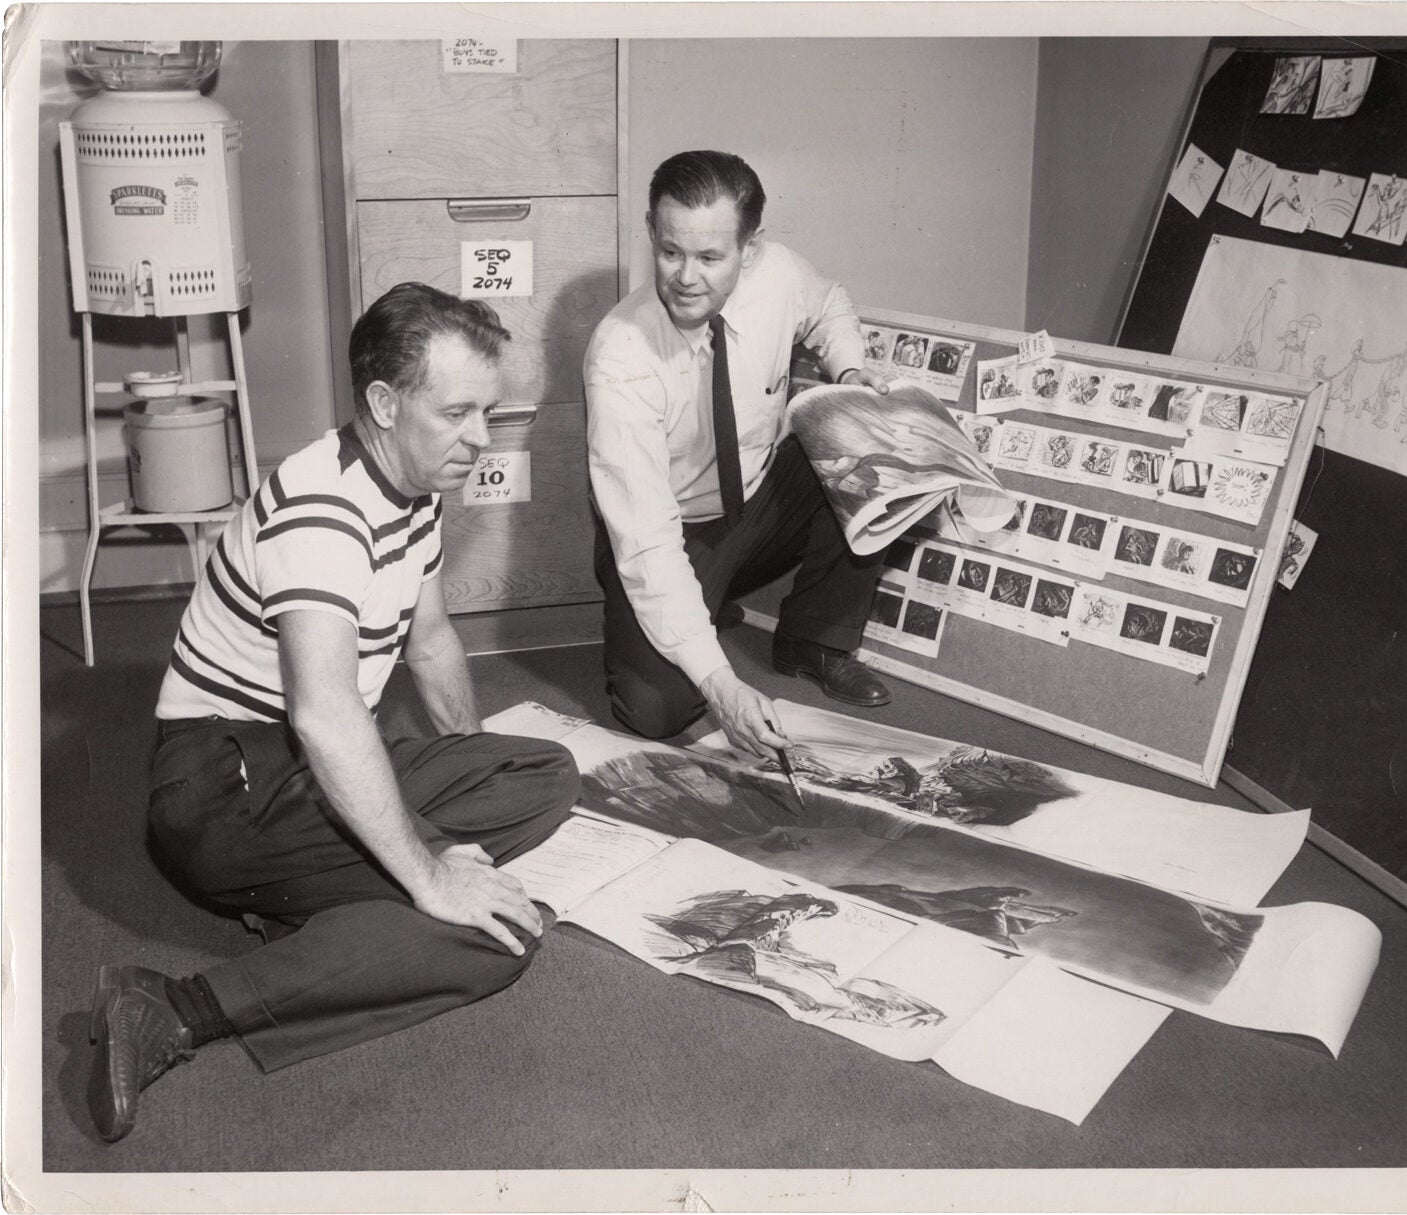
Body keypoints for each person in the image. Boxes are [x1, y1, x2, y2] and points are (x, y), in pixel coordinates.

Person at [86, 283, 580, 1143]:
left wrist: (460, 776)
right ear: (385, 404)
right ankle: (177, 1006)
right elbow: (321, 714)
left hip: (303, 760)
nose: (479, 438)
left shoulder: (415, 482)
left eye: (486, 411)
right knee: (496, 932)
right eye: (457, 411)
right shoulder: (323, 512)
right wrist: (430, 870)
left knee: (543, 773)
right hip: (222, 789)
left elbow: (428, 642)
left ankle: (321, 899)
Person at [584, 150, 893, 760]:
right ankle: (704, 605)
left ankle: (813, 640)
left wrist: (850, 369)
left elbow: (830, 304)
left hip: (760, 499)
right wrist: (721, 685)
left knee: (865, 436)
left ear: (749, 251)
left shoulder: (777, 273)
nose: (685, 278)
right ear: (651, 230)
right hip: (673, 531)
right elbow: (646, 540)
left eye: (709, 258)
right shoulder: (619, 356)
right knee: (657, 711)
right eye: (670, 253)